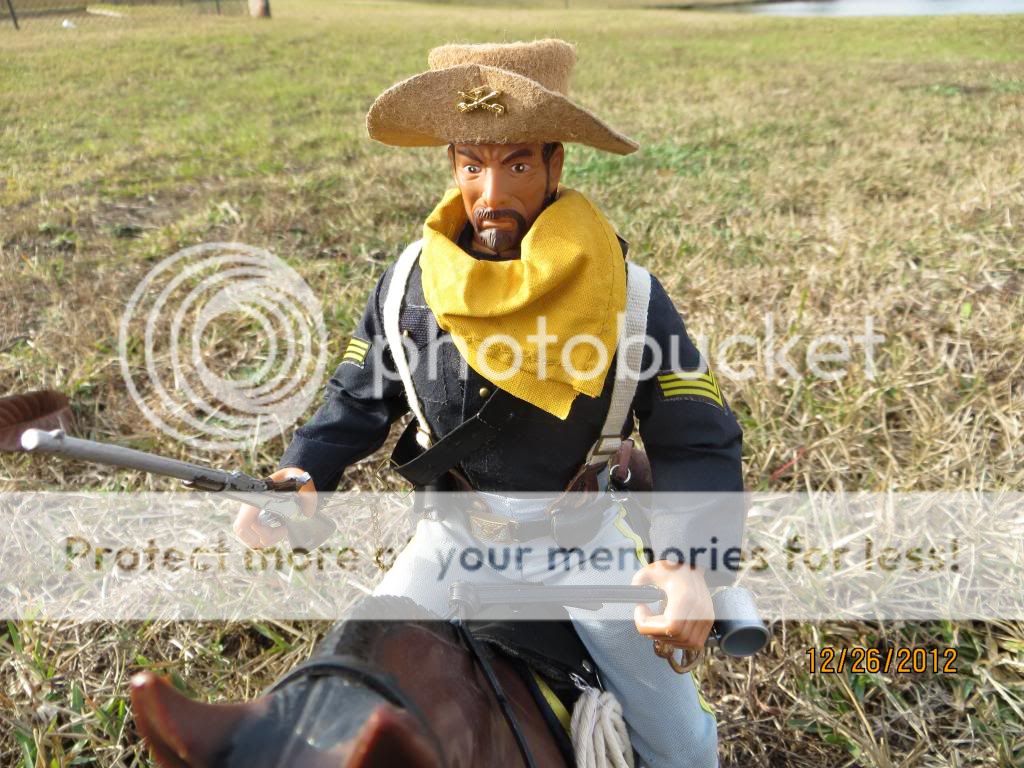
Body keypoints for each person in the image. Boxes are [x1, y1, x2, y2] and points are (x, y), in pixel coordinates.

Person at [235, 39, 744, 768]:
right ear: (451, 165)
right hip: (450, 536)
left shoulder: (626, 296)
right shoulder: (410, 282)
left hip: (582, 545)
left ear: (556, 164)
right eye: (472, 165)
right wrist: (303, 471)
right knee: (348, 679)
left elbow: (695, 434)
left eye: (517, 164)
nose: (491, 193)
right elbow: (357, 395)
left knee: (683, 742)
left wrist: (689, 560)